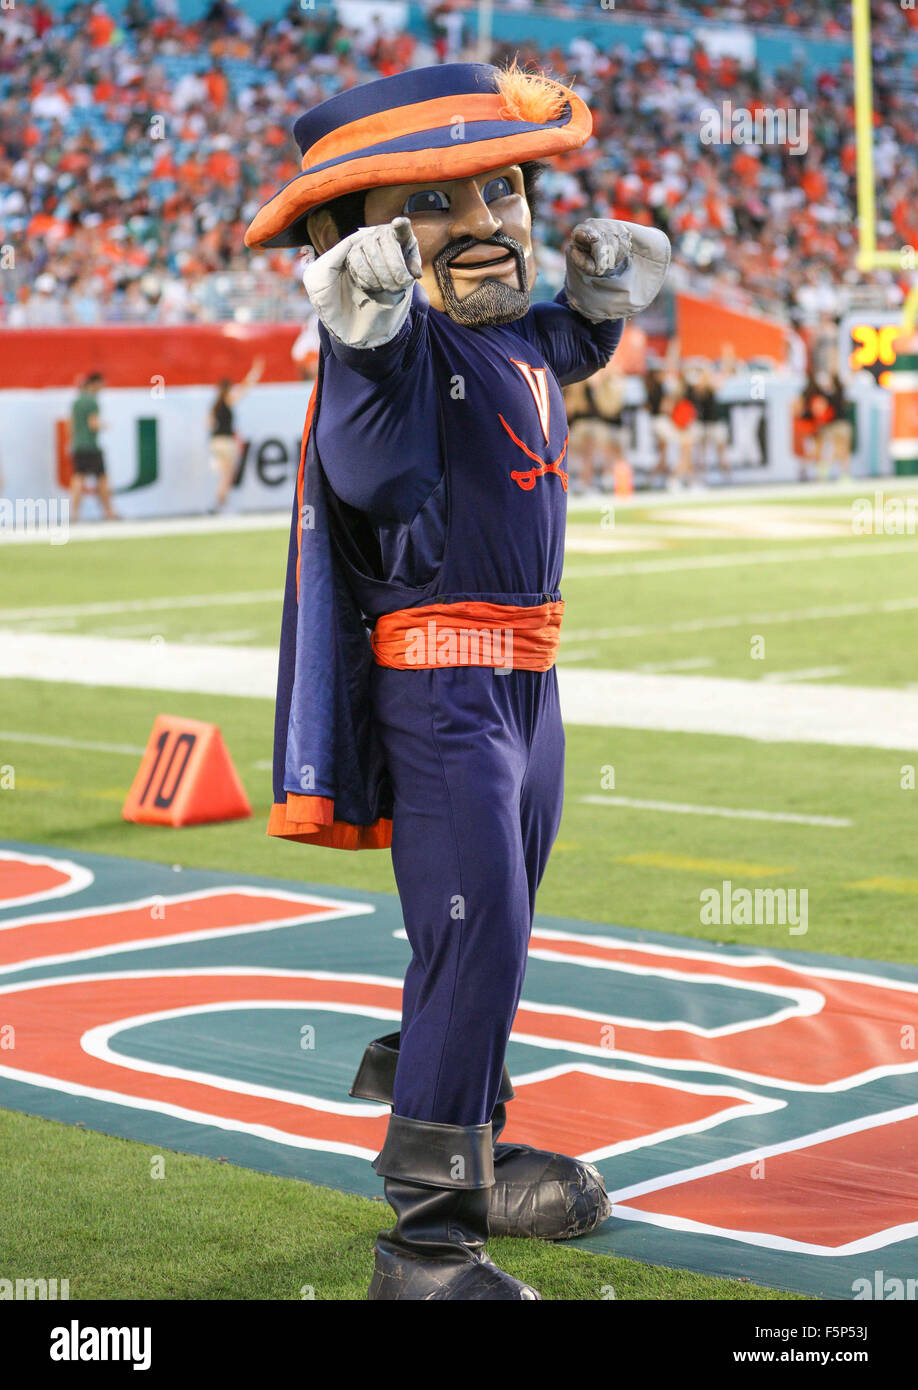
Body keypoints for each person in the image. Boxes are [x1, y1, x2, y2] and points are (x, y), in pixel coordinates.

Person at [246, 60, 670, 1301]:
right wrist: (365, 333)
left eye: (502, 189)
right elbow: (376, 477)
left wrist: (601, 292)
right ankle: (425, 1243)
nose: (485, 224)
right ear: (357, 237)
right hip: (443, 688)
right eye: (439, 206)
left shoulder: (518, 331)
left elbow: (569, 343)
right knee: (474, 936)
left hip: (527, 691)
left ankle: (468, 1156)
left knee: (497, 937)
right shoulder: (391, 349)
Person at [209, 357, 264, 510]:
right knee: (228, 476)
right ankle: (218, 504)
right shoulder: (228, 401)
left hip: (215, 442)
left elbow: (209, 424)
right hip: (226, 442)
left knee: (224, 475)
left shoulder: (215, 406)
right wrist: (255, 372)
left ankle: (222, 503)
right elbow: (245, 388)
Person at [69, 372, 118, 521]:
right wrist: (105, 426)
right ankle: (109, 512)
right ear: (95, 384)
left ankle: (75, 514)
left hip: (78, 445)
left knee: (78, 478)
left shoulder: (77, 401)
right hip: (91, 446)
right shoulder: (92, 402)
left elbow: (71, 425)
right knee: (102, 479)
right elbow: (93, 424)